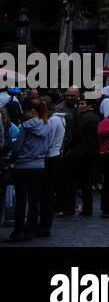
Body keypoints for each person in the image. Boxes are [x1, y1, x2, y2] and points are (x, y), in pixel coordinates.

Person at [6, 97, 50, 242]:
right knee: (34, 199)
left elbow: (18, 147)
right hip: (39, 164)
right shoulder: (46, 125)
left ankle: (18, 231)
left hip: (23, 165)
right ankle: (30, 230)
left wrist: (13, 156)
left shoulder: (25, 127)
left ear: (31, 111)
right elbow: (47, 146)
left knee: (21, 199)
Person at [59, 95, 99, 217]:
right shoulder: (94, 117)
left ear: (89, 105)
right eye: (80, 104)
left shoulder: (84, 118)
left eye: (82, 104)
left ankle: (69, 208)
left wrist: (66, 148)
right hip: (89, 153)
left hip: (79, 153)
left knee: (71, 181)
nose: (80, 106)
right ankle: (87, 209)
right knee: (86, 182)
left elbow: (76, 136)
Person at [37, 97, 65, 238]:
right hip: (53, 157)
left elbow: (48, 141)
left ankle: (44, 225)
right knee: (46, 193)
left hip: (50, 158)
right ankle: (44, 224)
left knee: (46, 194)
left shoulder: (53, 120)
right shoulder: (58, 119)